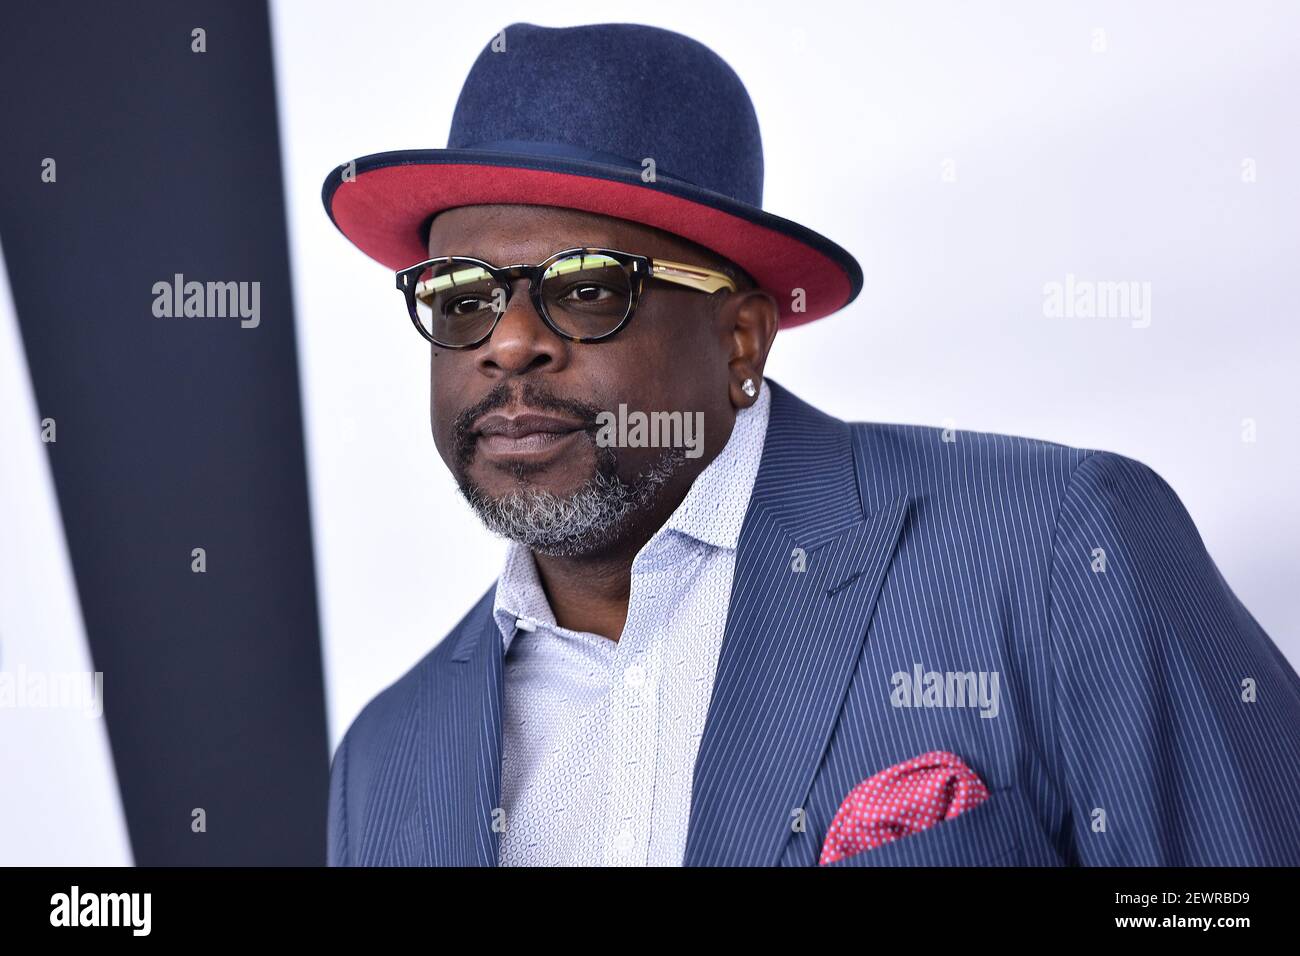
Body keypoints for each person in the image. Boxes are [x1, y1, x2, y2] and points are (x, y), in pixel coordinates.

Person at [321, 22, 1300, 866]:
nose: (506, 341)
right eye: (461, 297)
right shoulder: (385, 761)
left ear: (740, 336)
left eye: (585, 286)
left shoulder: (1052, 549)